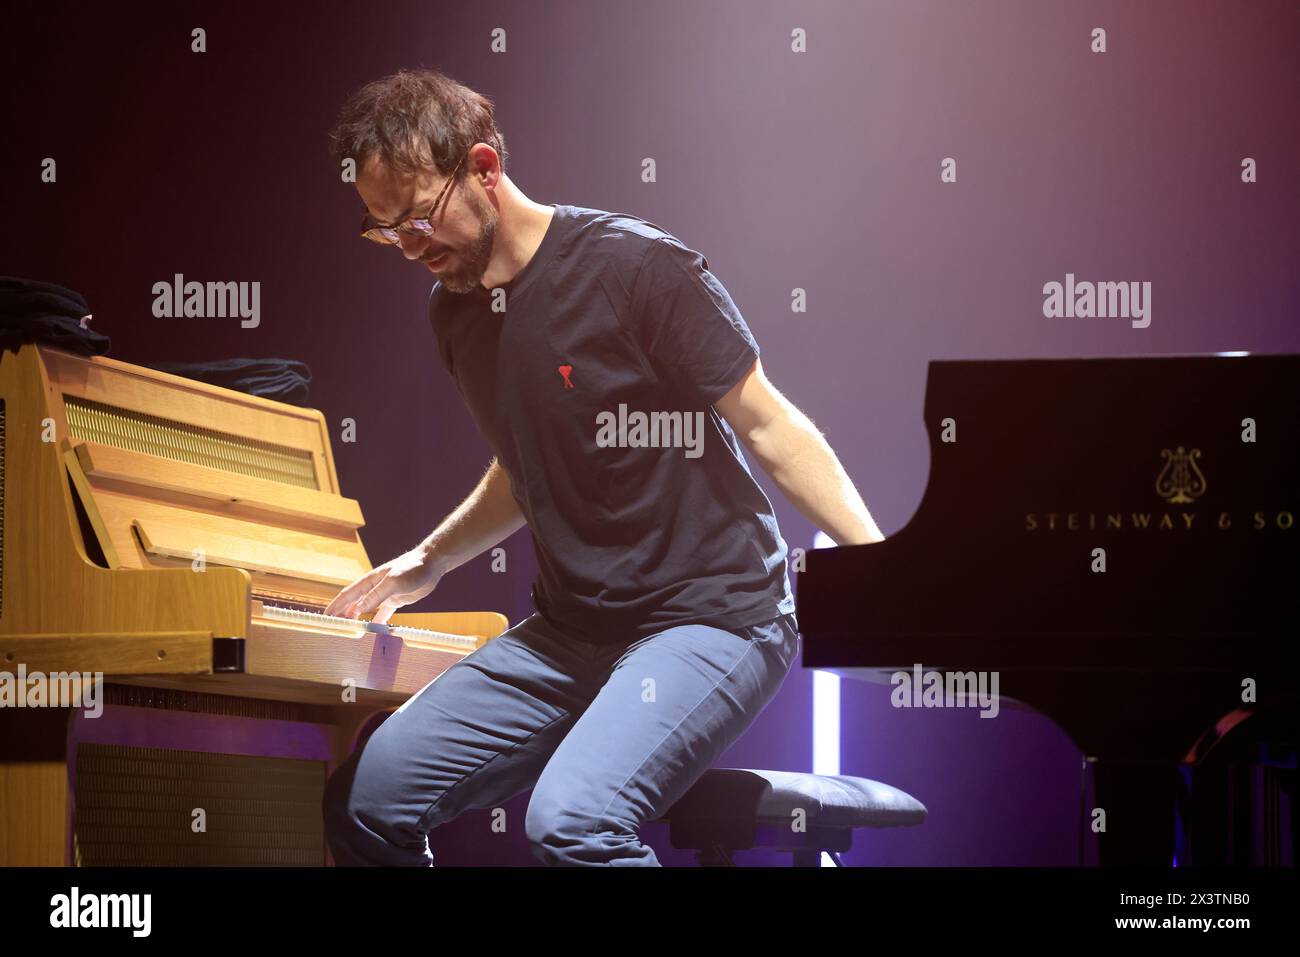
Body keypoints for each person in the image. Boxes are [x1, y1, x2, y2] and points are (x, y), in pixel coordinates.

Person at [321, 68, 882, 865]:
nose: (411, 248)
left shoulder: (635, 267)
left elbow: (771, 427)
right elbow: (523, 463)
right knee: (366, 802)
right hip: (573, 632)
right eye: (388, 231)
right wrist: (430, 559)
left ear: (483, 167)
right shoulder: (456, 311)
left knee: (572, 823)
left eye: (418, 216)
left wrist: (881, 564)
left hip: (712, 616)